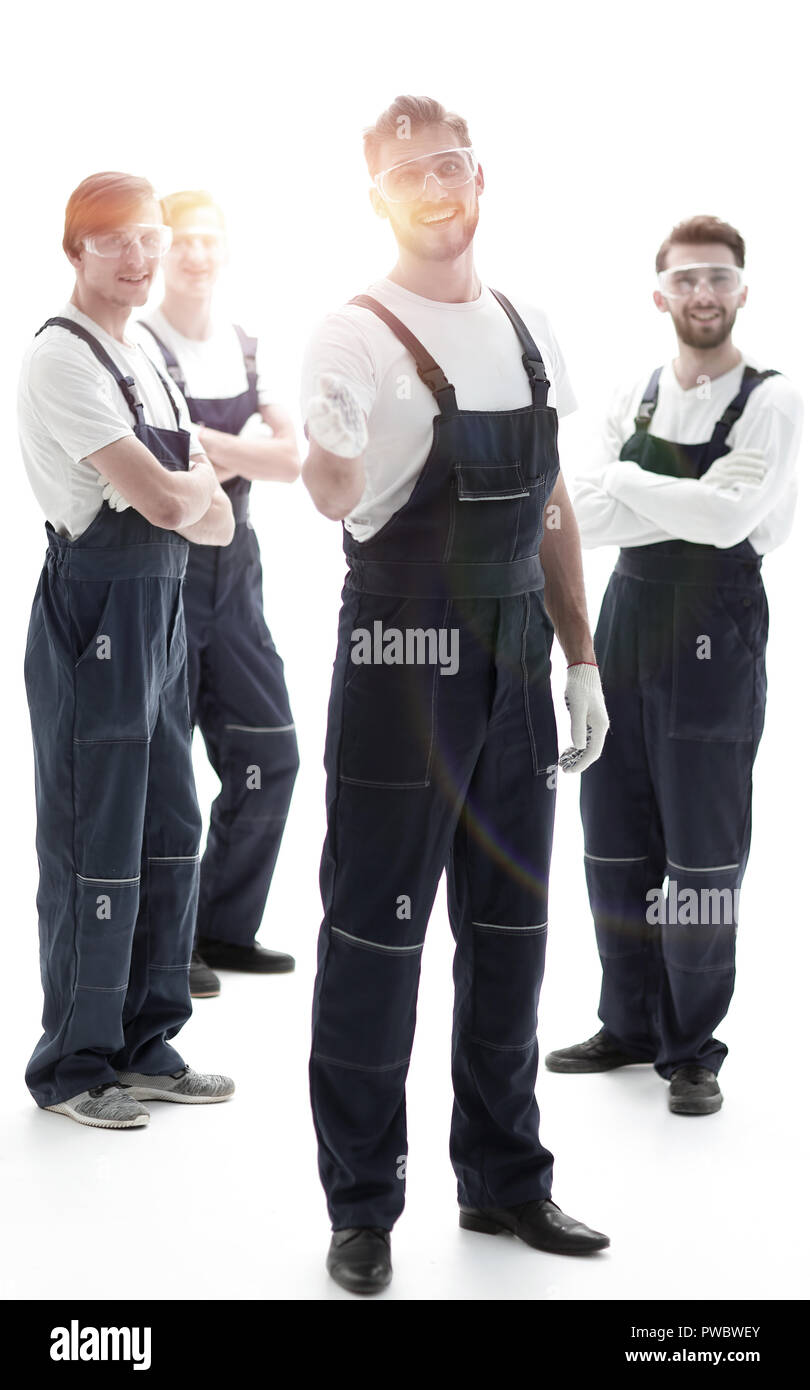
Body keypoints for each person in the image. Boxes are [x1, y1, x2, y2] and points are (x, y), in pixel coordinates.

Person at [300, 95, 612, 1296]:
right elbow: (333, 492)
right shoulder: (353, 331)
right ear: (378, 196)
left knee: (511, 932)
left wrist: (579, 656)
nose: (434, 184)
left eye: (450, 163)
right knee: (377, 937)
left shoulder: (530, 326)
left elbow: (549, 505)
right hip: (399, 666)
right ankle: (364, 1205)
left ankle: (505, 1180)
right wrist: (328, 445)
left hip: (517, 669)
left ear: (480, 175)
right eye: (406, 171)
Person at [546, 216, 803, 1116]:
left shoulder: (773, 400)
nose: (704, 293)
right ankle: (630, 1022)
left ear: (743, 291)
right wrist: (687, 499)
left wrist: (629, 486)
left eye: (720, 278)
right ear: (661, 293)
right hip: (625, 617)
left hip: (717, 628)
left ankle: (691, 1047)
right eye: (687, 278)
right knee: (612, 834)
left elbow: (731, 526)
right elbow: (584, 518)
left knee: (700, 859)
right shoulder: (636, 391)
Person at [19, 172, 236, 1129]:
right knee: (92, 843)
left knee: (167, 832)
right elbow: (166, 498)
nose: (141, 257)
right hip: (97, 611)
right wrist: (181, 492)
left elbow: (218, 518)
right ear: (76, 250)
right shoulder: (61, 359)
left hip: (164, 615)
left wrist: (182, 493)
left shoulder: (142, 349)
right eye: (116, 241)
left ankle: (146, 1044)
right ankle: (74, 1064)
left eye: (151, 237)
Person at [136, 191, 300, 1000]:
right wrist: (244, 454)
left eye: (209, 241)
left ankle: (222, 927)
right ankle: (172, 945)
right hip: (164, 570)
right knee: (168, 774)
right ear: (160, 251)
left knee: (272, 755)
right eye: (182, 241)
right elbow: (159, 465)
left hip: (237, 574)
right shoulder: (138, 342)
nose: (196, 255)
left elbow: (295, 458)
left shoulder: (247, 347)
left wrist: (204, 452)